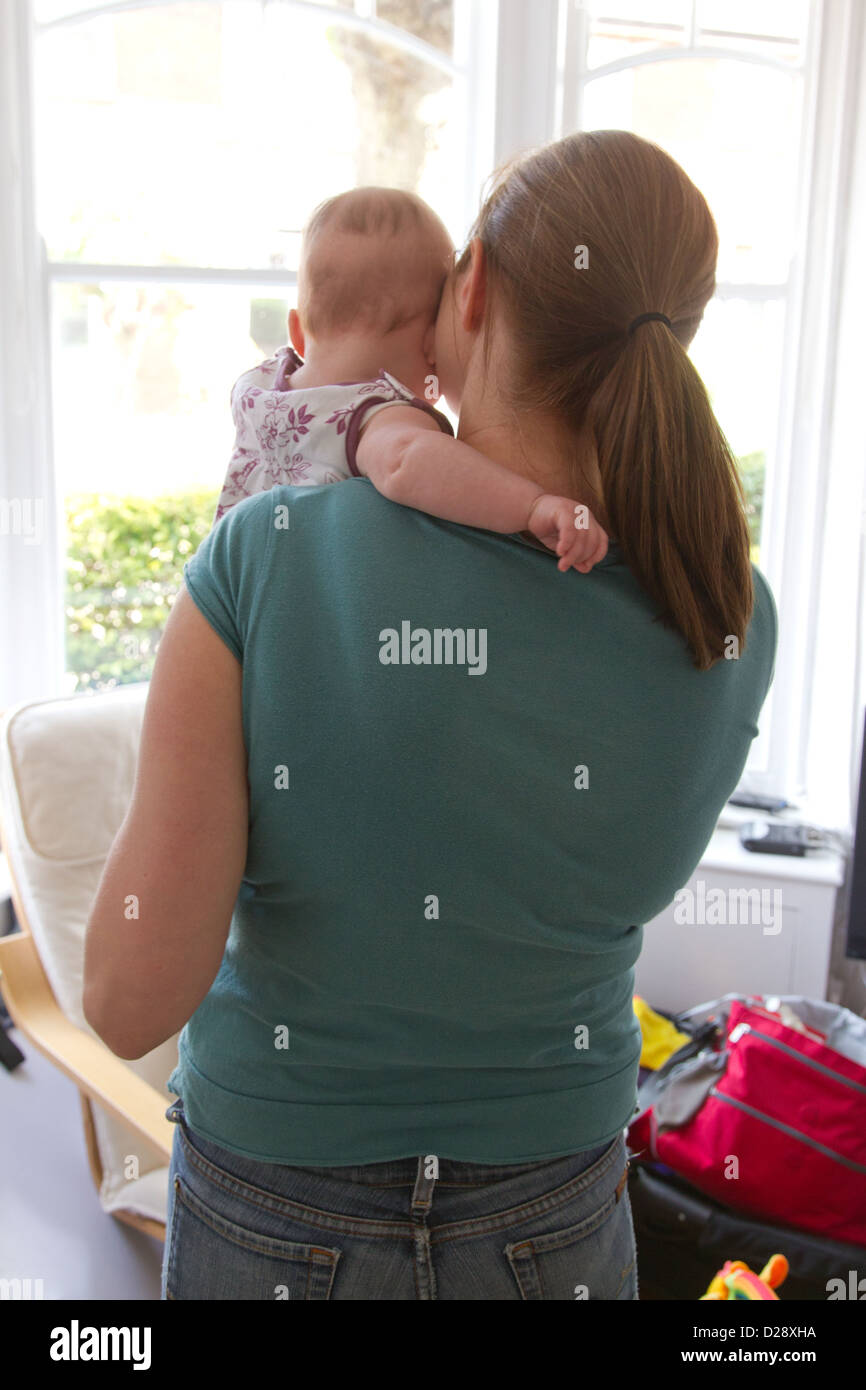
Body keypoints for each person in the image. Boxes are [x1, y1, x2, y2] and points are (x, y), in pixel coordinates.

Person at [82, 129, 777, 1301]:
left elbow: (125, 996)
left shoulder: (265, 556)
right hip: (556, 1214)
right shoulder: (726, 606)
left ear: (478, 290)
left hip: (276, 1203)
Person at [217, 186, 608, 572]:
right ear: (429, 342)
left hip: (231, 594)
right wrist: (531, 506)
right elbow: (408, 462)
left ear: (298, 331)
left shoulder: (256, 385)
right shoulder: (375, 414)